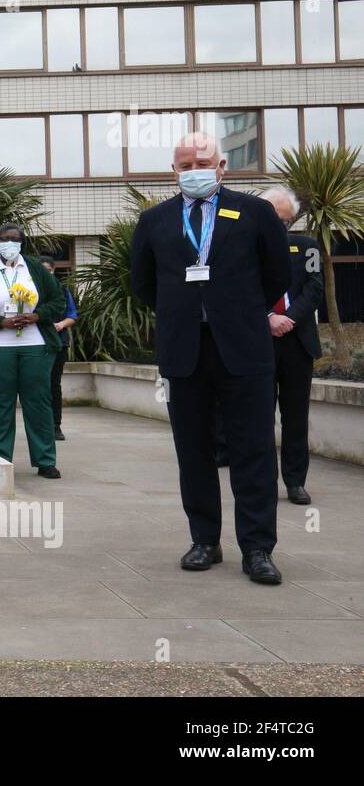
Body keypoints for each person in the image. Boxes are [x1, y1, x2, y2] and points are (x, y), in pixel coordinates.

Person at [130, 133, 289, 585]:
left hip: (244, 350)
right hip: (186, 352)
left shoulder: (255, 213)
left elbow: (277, 273)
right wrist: (181, 311)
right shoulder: (155, 220)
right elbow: (143, 282)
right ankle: (204, 540)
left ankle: (258, 548)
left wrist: (236, 309)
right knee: (193, 451)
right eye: (185, 163)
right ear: (174, 170)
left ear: (222, 166)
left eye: (203, 161)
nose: (194, 169)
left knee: (254, 450)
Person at [0, 224, 66, 479]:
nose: (10, 243)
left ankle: (45, 460)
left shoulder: (35, 270)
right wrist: (1, 322)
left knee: (38, 401)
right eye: (5, 239)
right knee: (0, 402)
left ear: (23, 243)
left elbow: (58, 301)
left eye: (15, 239)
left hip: (36, 345)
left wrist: (37, 315)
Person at [260, 186, 323, 506]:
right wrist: (269, 316)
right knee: (260, 417)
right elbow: (240, 291)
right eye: (273, 217)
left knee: (296, 416)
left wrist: (289, 319)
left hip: (298, 343)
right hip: (261, 342)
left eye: (284, 220)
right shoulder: (248, 249)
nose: (279, 225)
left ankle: (296, 482)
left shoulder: (307, 247)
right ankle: (263, 482)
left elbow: (314, 290)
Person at [39, 254, 78, 441]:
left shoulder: (63, 291)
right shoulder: (29, 291)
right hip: (37, 344)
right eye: (41, 270)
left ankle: (56, 426)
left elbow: (72, 315)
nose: (45, 274)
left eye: (48, 270)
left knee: (54, 385)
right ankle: (41, 426)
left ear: (53, 270)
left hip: (58, 343)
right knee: (39, 386)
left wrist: (61, 324)